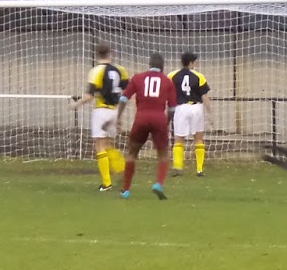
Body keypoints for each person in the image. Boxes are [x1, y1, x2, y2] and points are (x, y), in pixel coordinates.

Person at [70, 44, 128, 190]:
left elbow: (89, 96)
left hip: (101, 111)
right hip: (114, 111)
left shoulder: (96, 71)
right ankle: (122, 168)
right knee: (107, 144)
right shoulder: (120, 70)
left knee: (99, 146)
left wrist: (76, 104)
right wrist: (120, 116)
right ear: (110, 54)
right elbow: (127, 92)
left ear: (97, 55)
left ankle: (107, 183)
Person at [118, 53, 174, 200]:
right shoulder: (167, 81)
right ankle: (158, 184)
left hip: (141, 118)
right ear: (162, 66)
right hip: (159, 119)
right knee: (163, 154)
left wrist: (118, 117)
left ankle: (125, 190)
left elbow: (123, 98)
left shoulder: (137, 78)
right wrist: (167, 123)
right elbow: (172, 107)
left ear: (149, 64)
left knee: (132, 153)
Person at [170, 52, 212, 176]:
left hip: (180, 108)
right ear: (191, 63)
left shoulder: (172, 75)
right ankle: (199, 169)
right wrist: (210, 112)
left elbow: (167, 91)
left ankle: (177, 168)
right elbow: (204, 96)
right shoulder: (199, 76)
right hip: (196, 108)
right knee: (198, 138)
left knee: (179, 139)